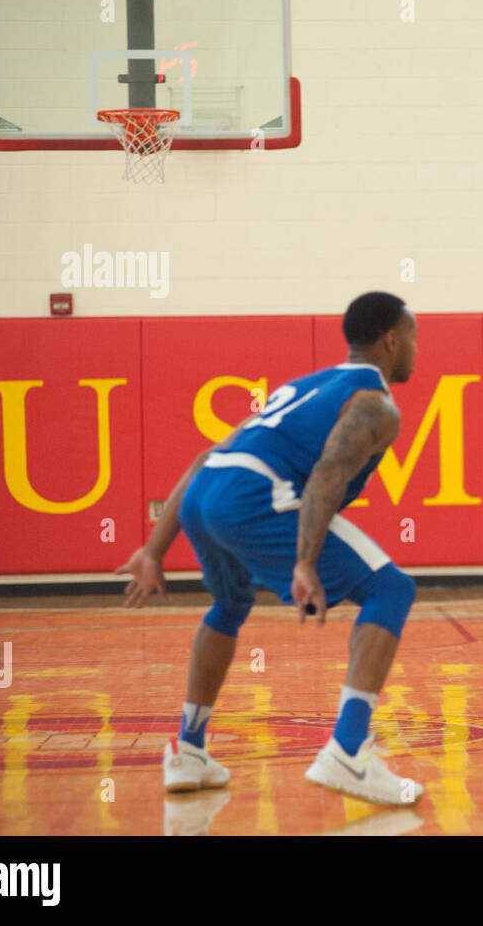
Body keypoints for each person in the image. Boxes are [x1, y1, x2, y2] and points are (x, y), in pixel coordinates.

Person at [116, 292, 424, 806]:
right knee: (391, 589)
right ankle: (348, 751)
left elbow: (204, 457)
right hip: (253, 498)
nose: (417, 348)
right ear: (392, 340)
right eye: (414, 338)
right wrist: (305, 562)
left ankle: (189, 751)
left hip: (205, 495)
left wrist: (153, 550)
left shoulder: (305, 385)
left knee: (230, 604)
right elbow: (327, 472)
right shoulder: (376, 405)